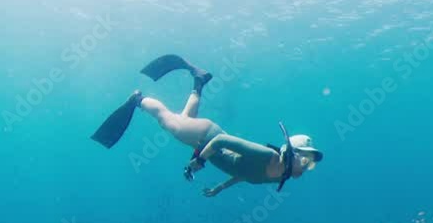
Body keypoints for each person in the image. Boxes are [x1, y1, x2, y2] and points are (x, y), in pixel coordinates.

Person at [89, 54, 323, 197]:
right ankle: (138, 100)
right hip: (208, 135)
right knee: (169, 123)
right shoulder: (266, 156)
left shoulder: (279, 176)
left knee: (183, 118)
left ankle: (199, 80)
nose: (306, 166)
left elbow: (245, 174)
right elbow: (221, 141)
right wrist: (199, 160)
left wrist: (220, 188)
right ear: (290, 153)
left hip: (206, 143)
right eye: (305, 159)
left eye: (309, 163)